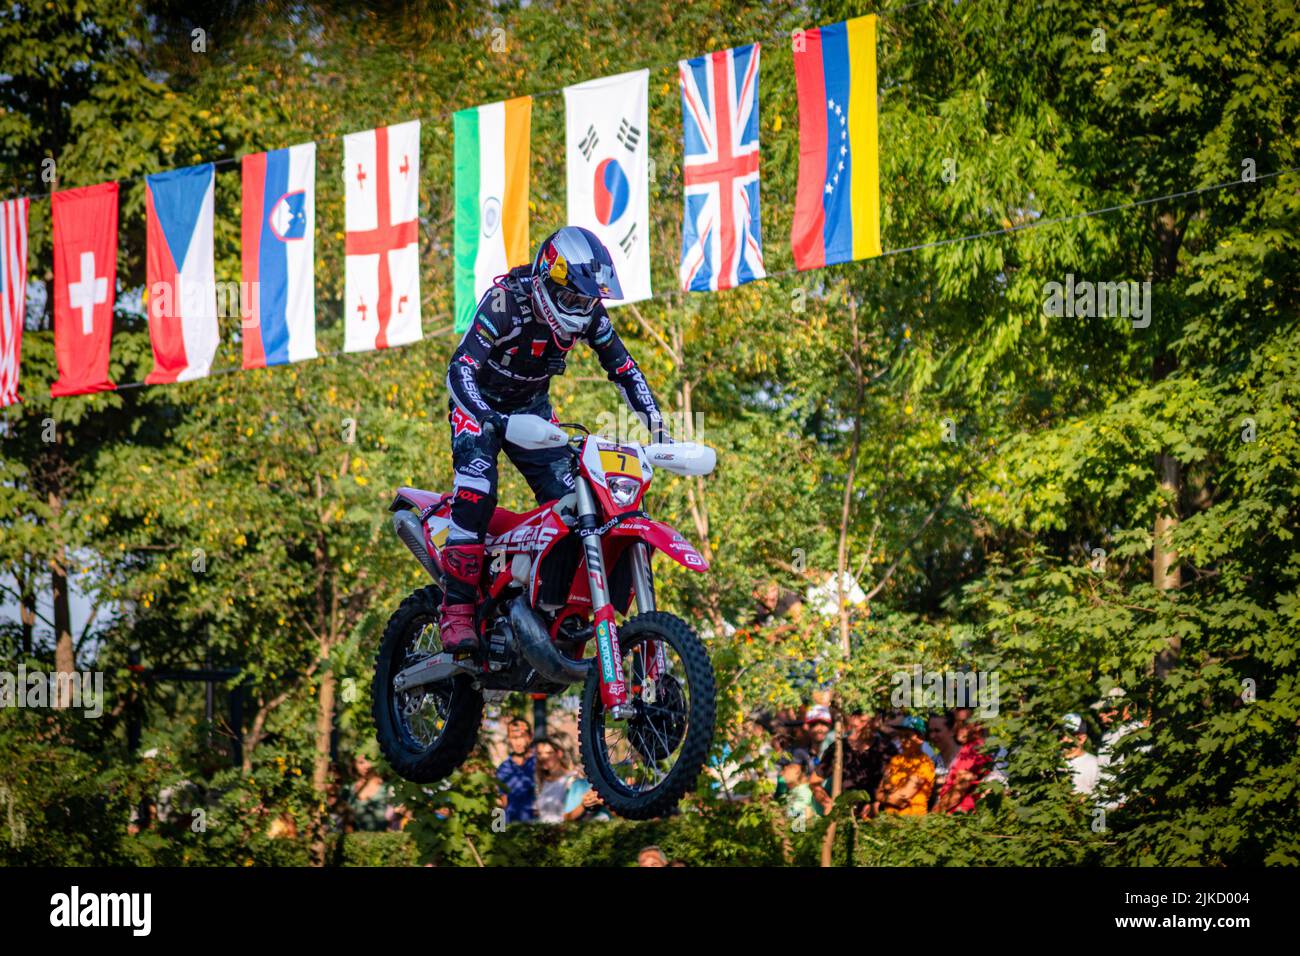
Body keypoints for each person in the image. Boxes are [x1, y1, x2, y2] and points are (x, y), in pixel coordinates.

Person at [437, 227, 670, 652]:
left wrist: (658, 426)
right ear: (547, 279)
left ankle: (554, 609)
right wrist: (489, 418)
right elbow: (460, 370)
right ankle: (456, 612)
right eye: (572, 300)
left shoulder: (593, 315)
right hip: (480, 409)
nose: (580, 311)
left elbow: (624, 369)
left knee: (579, 505)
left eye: (586, 301)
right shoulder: (505, 303)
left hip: (532, 411)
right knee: (476, 490)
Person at [873, 716, 935, 816]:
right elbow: (878, 793)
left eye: (907, 736)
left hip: (912, 823)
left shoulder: (924, 764)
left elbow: (902, 799)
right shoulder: (896, 760)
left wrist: (888, 791)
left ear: (921, 738)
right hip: (888, 820)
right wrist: (889, 794)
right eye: (900, 736)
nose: (902, 740)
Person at [934, 717, 992, 814]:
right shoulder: (969, 748)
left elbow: (957, 792)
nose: (957, 727)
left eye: (963, 723)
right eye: (956, 722)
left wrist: (933, 816)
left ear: (978, 726)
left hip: (959, 817)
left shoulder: (975, 750)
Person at [495, 717, 537, 823]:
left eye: (522, 736)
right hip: (512, 830)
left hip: (538, 828)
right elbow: (501, 803)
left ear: (530, 737)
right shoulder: (503, 769)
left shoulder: (541, 763)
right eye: (514, 738)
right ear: (509, 739)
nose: (518, 742)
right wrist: (497, 830)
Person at [1062, 713, 1100, 797]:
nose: (1063, 739)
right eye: (1061, 734)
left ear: (1082, 739)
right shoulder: (1050, 761)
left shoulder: (1094, 764)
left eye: (1069, 735)